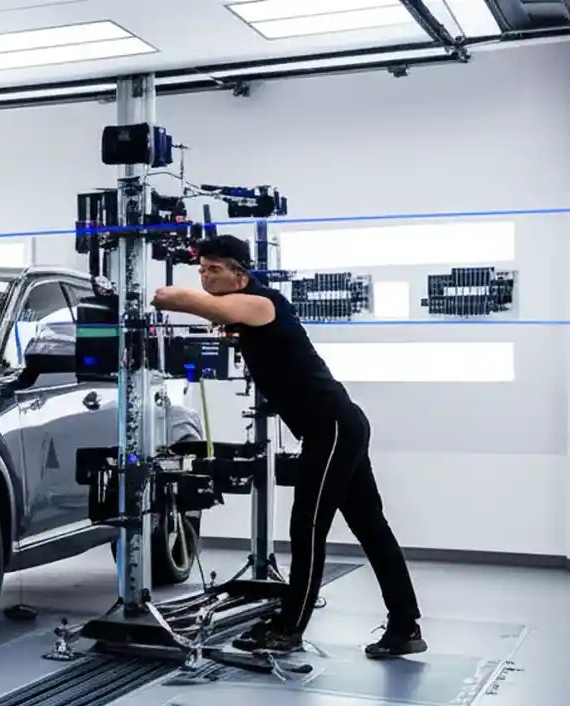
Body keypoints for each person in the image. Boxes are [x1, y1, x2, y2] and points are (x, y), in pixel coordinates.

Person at [150, 234, 426, 659]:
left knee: (308, 527)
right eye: (201, 269)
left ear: (240, 274)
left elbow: (181, 299)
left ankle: (288, 629)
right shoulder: (247, 312)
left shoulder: (262, 303)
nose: (205, 277)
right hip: (338, 427)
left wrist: (162, 295)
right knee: (370, 526)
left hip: (330, 429)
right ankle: (406, 627)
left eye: (214, 269)